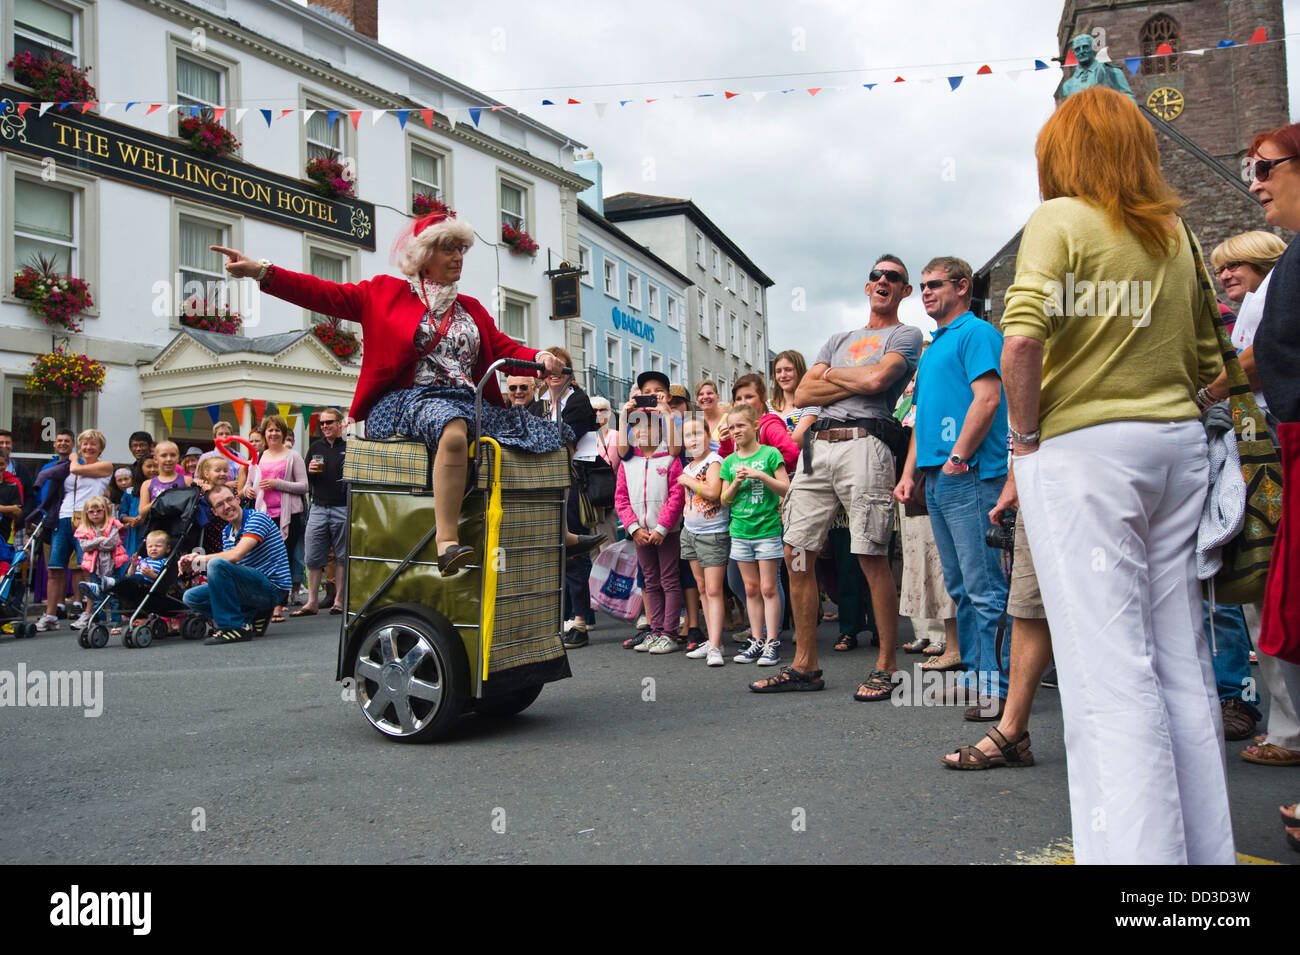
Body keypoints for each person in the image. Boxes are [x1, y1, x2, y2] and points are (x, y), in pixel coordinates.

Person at [1000, 86, 1230, 864]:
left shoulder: (1058, 219)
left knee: (1107, 670)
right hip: (1176, 445)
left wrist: (1023, 440)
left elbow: (1023, 341)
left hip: (1087, 452)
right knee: (1179, 660)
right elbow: (1210, 365)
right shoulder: (1177, 232)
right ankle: (1200, 866)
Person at [213, 213, 598, 575]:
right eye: (448, 248)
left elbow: (502, 349)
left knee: (551, 434)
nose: (457, 257)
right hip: (404, 401)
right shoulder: (383, 293)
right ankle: (447, 542)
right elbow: (321, 293)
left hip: (467, 399)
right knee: (453, 428)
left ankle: (555, 531)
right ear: (423, 256)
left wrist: (540, 357)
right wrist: (261, 271)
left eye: (461, 249)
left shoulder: (471, 309)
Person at [751, 256, 922, 695]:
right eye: (875, 276)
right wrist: (859, 377)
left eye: (894, 278)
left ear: (905, 290)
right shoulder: (840, 337)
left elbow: (878, 381)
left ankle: (887, 665)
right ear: (867, 287)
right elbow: (805, 392)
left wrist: (837, 376)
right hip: (818, 447)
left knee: (870, 552)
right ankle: (805, 664)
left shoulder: (905, 335)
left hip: (867, 442)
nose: (882, 281)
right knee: (796, 551)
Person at [894, 256, 1011, 719]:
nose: (924, 292)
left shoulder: (977, 333)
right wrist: (910, 474)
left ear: (962, 287)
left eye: (934, 284)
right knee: (960, 586)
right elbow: (921, 418)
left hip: (972, 474)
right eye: (921, 286)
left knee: (984, 586)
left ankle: (998, 688)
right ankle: (976, 678)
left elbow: (989, 397)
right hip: (937, 479)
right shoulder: (934, 344)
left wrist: (960, 455)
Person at [1243, 122, 1300, 775]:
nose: (1255, 182)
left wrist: (1202, 388)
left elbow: (1258, 360)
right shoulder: (1291, 262)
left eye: (1266, 168)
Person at [722, 404, 790, 667]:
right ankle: (757, 639)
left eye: (741, 425)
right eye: (732, 427)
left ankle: (773, 642)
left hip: (768, 531)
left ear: (755, 426)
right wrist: (737, 482)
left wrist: (761, 475)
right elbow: (724, 500)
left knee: (768, 587)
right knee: (750, 589)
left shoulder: (770, 454)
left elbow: (786, 488)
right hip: (740, 533)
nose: (736, 431)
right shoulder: (729, 461)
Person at [181, 484, 293, 645]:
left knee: (217, 564)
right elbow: (228, 570)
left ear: (238, 499)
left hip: (272, 589)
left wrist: (198, 559)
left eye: (229, 500)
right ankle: (250, 617)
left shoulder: (257, 518)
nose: (227, 506)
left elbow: (235, 555)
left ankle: (233, 627)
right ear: (214, 512)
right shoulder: (226, 532)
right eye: (220, 505)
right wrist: (190, 565)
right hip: (250, 587)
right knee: (191, 597)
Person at [615, 404, 685, 654]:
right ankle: (655, 631)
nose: (643, 433)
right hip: (640, 534)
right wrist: (633, 528)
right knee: (651, 582)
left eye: (650, 428)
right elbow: (621, 498)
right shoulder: (628, 463)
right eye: (638, 428)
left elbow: (677, 495)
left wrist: (662, 528)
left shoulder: (669, 459)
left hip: (666, 532)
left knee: (669, 580)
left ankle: (669, 633)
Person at [38, 429, 113, 632]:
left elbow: (75, 470)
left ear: (101, 448)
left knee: (88, 569)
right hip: (63, 517)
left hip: (88, 518)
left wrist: (72, 458)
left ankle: (88, 612)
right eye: (84, 444)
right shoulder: (73, 466)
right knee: (55, 568)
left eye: (93, 444)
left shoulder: (104, 466)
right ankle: (51, 614)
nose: (88, 448)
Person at [680, 417, 729, 667]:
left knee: (713, 590)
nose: (693, 439)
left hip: (713, 534)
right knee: (701, 589)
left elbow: (713, 493)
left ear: (708, 435)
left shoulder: (714, 461)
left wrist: (687, 481)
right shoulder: (689, 466)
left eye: (698, 433)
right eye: (688, 435)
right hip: (690, 532)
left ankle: (715, 647)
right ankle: (713, 641)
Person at [251, 415, 307, 623]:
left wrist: (278, 483)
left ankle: (277, 604)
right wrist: (249, 490)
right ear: (264, 434)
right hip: (263, 515)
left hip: (288, 516)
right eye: (269, 430)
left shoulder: (293, 456)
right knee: (263, 559)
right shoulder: (257, 457)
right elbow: (251, 483)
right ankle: (262, 602)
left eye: (277, 430)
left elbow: (304, 486)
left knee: (282, 559)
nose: (273, 433)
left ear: (283, 433)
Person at [295, 408, 347, 617]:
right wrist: (310, 471)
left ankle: (339, 600)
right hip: (318, 506)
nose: (325, 426)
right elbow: (306, 481)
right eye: (322, 423)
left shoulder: (350, 447)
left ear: (340, 424)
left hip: (343, 506)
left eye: (329, 422)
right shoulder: (316, 447)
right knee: (312, 556)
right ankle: (312, 602)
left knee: (343, 556)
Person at [71, 496, 128, 628]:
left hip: (112, 565)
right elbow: (84, 546)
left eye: (99, 511)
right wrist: (100, 539)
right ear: (86, 513)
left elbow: (112, 543)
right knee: (97, 595)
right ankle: (99, 619)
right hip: (94, 567)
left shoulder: (112, 524)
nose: (95, 514)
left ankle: (116, 619)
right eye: (91, 512)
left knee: (113, 594)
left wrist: (95, 543)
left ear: (105, 511)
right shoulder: (84, 528)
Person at [1059, 33, 1134, 100]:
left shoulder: (1113, 73)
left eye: (1085, 47)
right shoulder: (1067, 86)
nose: (1081, 52)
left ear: (1093, 48)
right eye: (1077, 49)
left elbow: (1129, 100)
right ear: (1074, 53)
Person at [769, 350, 820, 448]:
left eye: (788, 370)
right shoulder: (768, 406)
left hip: (799, 462)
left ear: (799, 371)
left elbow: (797, 442)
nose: (783, 375)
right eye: (778, 371)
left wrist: (771, 436)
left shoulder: (810, 404)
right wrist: (785, 435)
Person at [139, 440, 190, 519]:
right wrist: (160, 500)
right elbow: (142, 513)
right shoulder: (147, 484)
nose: (169, 459)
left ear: (178, 458)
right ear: (156, 459)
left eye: (173, 455)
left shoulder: (187, 481)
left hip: (181, 528)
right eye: (164, 455)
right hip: (156, 529)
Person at [0, 430, 35, 523]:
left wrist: (22, 516)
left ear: (12, 445)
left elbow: (29, 497)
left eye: (7, 443)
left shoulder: (21, 470)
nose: (4, 446)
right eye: (1, 443)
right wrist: (10, 509)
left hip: (16, 525)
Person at [695, 380, 733, 456]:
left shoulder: (729, 419)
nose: (705, 397)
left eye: (710, 393)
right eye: (701, 394)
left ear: (717, 396)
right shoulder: (695, 422)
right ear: (696, 400)